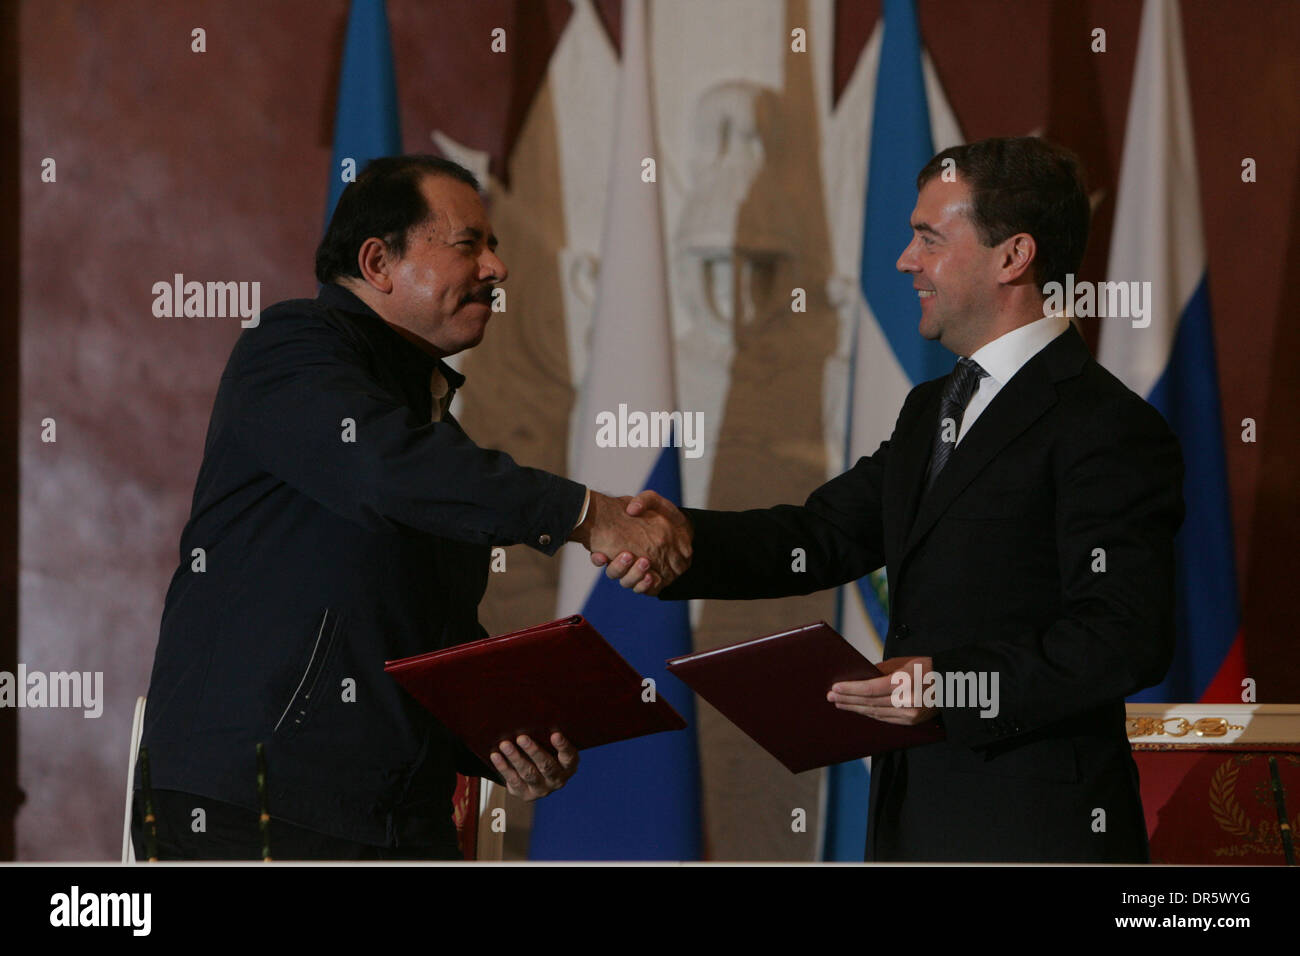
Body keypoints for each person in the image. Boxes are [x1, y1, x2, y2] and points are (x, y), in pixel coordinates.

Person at [597, 137, 1185, 862]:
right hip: (911, 819)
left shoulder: (1107, 425)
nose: (906, 260)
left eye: (929, 239)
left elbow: (1124, 638)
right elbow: (821, 535)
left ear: (1013, 256)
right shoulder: (930, 408)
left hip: (1033, 833)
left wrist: (953, 687)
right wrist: (681, 540)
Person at [131, 155, 690, 860]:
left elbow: (420, 640)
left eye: (493, 247)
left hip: (399, 822)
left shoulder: (437, 439)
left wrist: (503, 739)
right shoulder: (288, 346)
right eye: (468, 244)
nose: (496, 268)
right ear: (377, 262)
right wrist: (584, 512)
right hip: (256, 807)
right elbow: (382, 469)